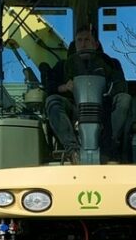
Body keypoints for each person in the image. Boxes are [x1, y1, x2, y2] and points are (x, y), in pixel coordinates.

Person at [44, 26, 131, 163]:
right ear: (74, 44)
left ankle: (107, 150)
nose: (83, 43)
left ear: (95, 44)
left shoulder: (111, 64)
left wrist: (106, 91)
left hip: (104, 110)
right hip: (73, 110)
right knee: (52, 101)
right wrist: (64, 87)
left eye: (87, 40)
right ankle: (73, 151)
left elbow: (121, 86)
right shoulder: (63, 66)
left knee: (124, 99)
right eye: (79, 40)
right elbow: (50, 88)